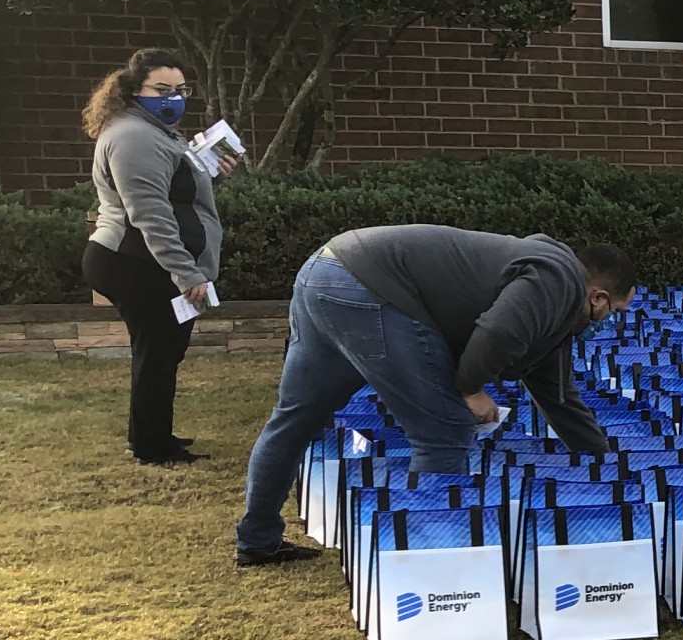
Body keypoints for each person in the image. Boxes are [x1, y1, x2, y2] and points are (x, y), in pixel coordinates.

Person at [232, 225, 637, 566]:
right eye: (614, 311)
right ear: (597, 297)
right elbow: (498, 331)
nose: (609, 321)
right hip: (371, 287)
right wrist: (470, 388)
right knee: (443, 430)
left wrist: (605, 463)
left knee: (296, 417)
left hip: (324, 268)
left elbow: (559, 397)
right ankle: (435, 568)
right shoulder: (558, 281)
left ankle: (257, 539)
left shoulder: (556, 306)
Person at [81, 47, 234, 466]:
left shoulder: (154, 132)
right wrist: (188, 276)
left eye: (181, 90)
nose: (174, 98)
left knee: (163, 349)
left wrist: (212, 177)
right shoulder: (134, 137)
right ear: (135, 89)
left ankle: (153, 436)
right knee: (158, 350)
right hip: (134, 261)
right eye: (162, 89)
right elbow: (150, 216)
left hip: (147, 260)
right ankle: (151, 446)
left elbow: (178, 197)